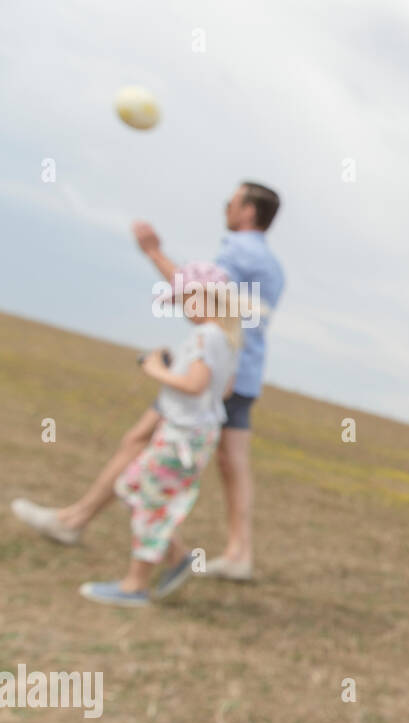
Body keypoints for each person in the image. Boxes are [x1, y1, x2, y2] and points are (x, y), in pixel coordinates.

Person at [11, 182, 285, 580]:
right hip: (244, 369)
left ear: (247, 211)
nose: (225, 206)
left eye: (231, 201)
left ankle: (78, 522)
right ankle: (238, 552)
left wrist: (152, 251)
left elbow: (202, 291)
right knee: (232, 462)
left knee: (140, 442)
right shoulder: (273, 265)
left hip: (211, 371)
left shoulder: (238, 251)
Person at [78, 264, 241, 606]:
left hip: (181, 436)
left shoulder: (205, 336)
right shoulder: (227, 341)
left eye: (184, 299)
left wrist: (157, 370)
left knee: (152, 503)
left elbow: (196, 386)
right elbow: (223, 391)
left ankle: (135, 586)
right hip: (197, 434)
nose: (182, 307)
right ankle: (178, 556)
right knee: (130, 486)